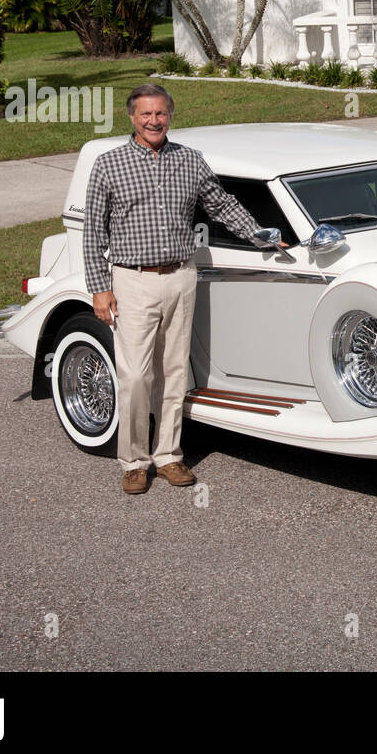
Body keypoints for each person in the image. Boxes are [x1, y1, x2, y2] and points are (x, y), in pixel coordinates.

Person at [83, 83, 286, 495]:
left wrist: (262, 236)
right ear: (132, 117)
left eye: (161, 114)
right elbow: (93, 231)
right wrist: (100, 288)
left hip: (181, 276)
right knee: (136, 376)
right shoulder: (108, 164)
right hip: (132, 279)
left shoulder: (190, 161)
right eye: (146, 115)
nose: (154, 121)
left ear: (170, 116)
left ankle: (170, 456)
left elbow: (222, 205)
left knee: (175, 372)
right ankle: (135, 462)